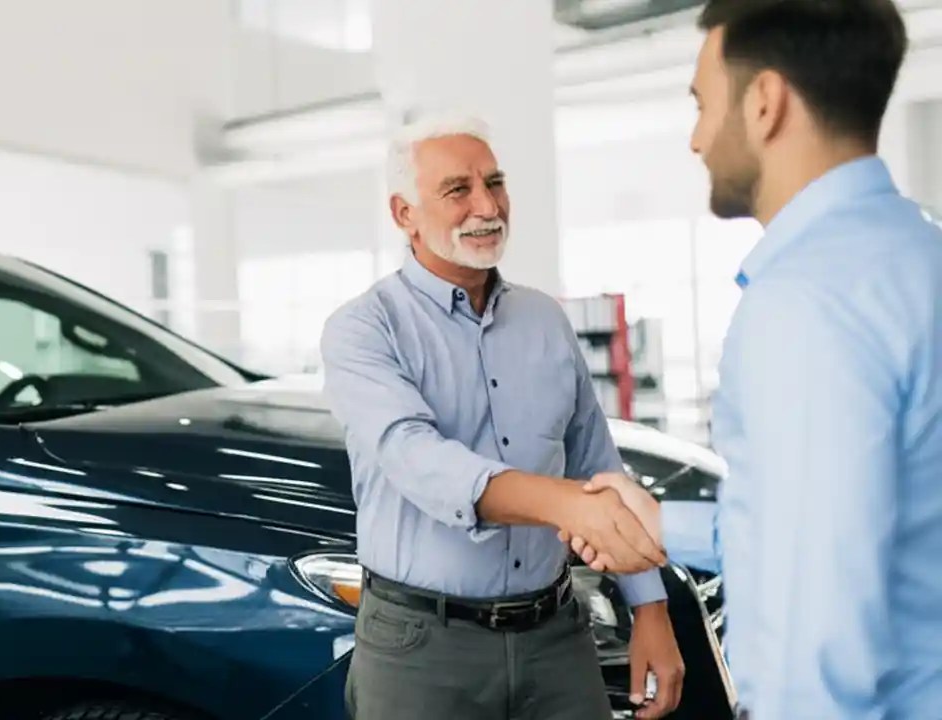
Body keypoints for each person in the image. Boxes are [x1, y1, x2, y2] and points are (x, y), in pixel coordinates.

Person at [563, 1, 942, 717]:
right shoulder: (919, 255)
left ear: (764, 103)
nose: (698, 139)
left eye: (703, 105)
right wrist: (661, 525)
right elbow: (852, 525)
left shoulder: (805, 301)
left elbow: (822, 626)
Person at [319, 113, 683, 720]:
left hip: (556, 637)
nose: (487, 205)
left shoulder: (545, 320)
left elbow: (597, 460)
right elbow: (416, 458)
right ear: (404, 213)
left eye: (495, 182)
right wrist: (564, 505)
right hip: (422, 649)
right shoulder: (363, 328)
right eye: (458, 189)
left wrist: (650, 607)